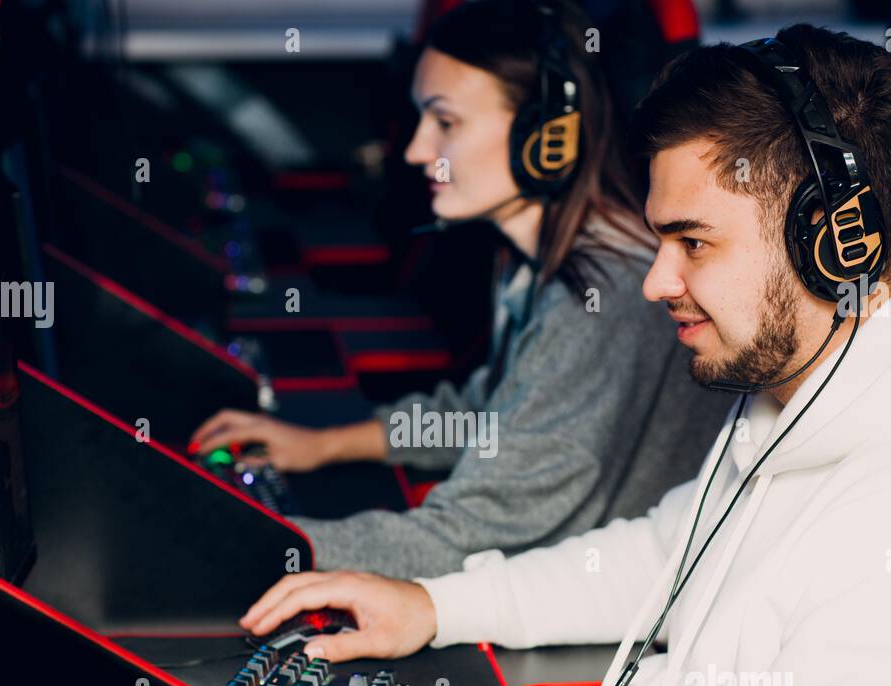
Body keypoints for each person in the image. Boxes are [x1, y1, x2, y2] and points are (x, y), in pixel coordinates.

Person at [236, 24, 891, 686]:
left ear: (835, 240)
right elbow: (663, 556)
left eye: (694, 242)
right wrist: (438, 605)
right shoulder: (800, 405)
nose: (657, 282)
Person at [189, 0, 726, 579]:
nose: (417, 150)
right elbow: (486, 416)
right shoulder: (538, 257)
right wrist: (324, 444)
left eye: (445, 123)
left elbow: (467, 537)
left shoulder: (595, 299)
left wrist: (233, 542)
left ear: (547, 136)